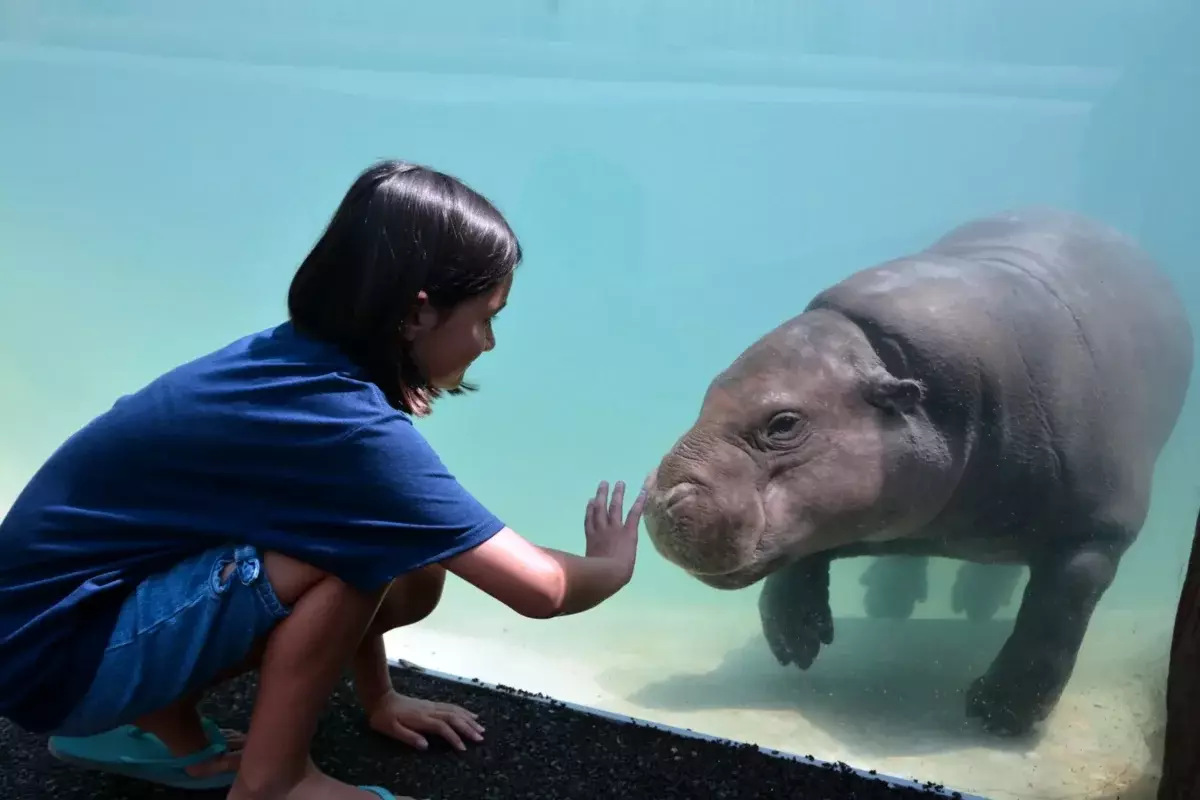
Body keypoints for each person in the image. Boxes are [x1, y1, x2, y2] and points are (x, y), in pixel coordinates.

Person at [0, 160, 647, 800]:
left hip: (48, 633)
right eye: (487, 317)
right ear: (418, 314)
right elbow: (539, 587)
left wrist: (379, 697)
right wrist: (612, 566)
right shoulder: (347, 430)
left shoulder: (293, 363)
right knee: (353, 557)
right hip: (55, 663)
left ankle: (154, 720)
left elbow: (356, 521)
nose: (488, 342)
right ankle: (273, 782)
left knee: (410, 565)